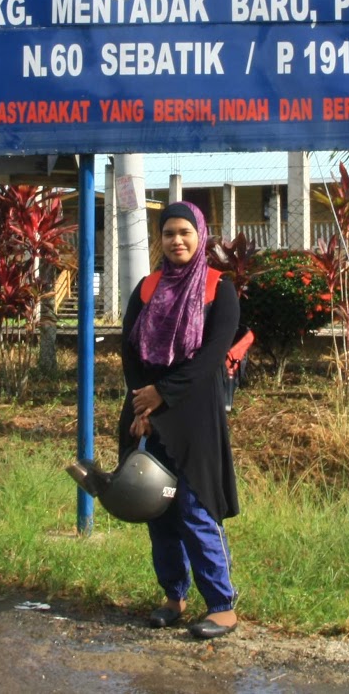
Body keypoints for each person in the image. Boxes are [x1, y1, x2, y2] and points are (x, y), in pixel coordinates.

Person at [118, 201, 241, 640]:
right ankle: (174, 597)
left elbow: (210, 357)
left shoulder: (217, 288)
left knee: (195, 508)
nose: (177, 241)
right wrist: (143, 406)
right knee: (158, 511)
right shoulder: (148, 287)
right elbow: (129, 349)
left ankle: (222, 605)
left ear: (200, 235)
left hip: (194, 419)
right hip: (145, 416)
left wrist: (162, 394)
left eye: (185, 232)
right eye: (169, 233)